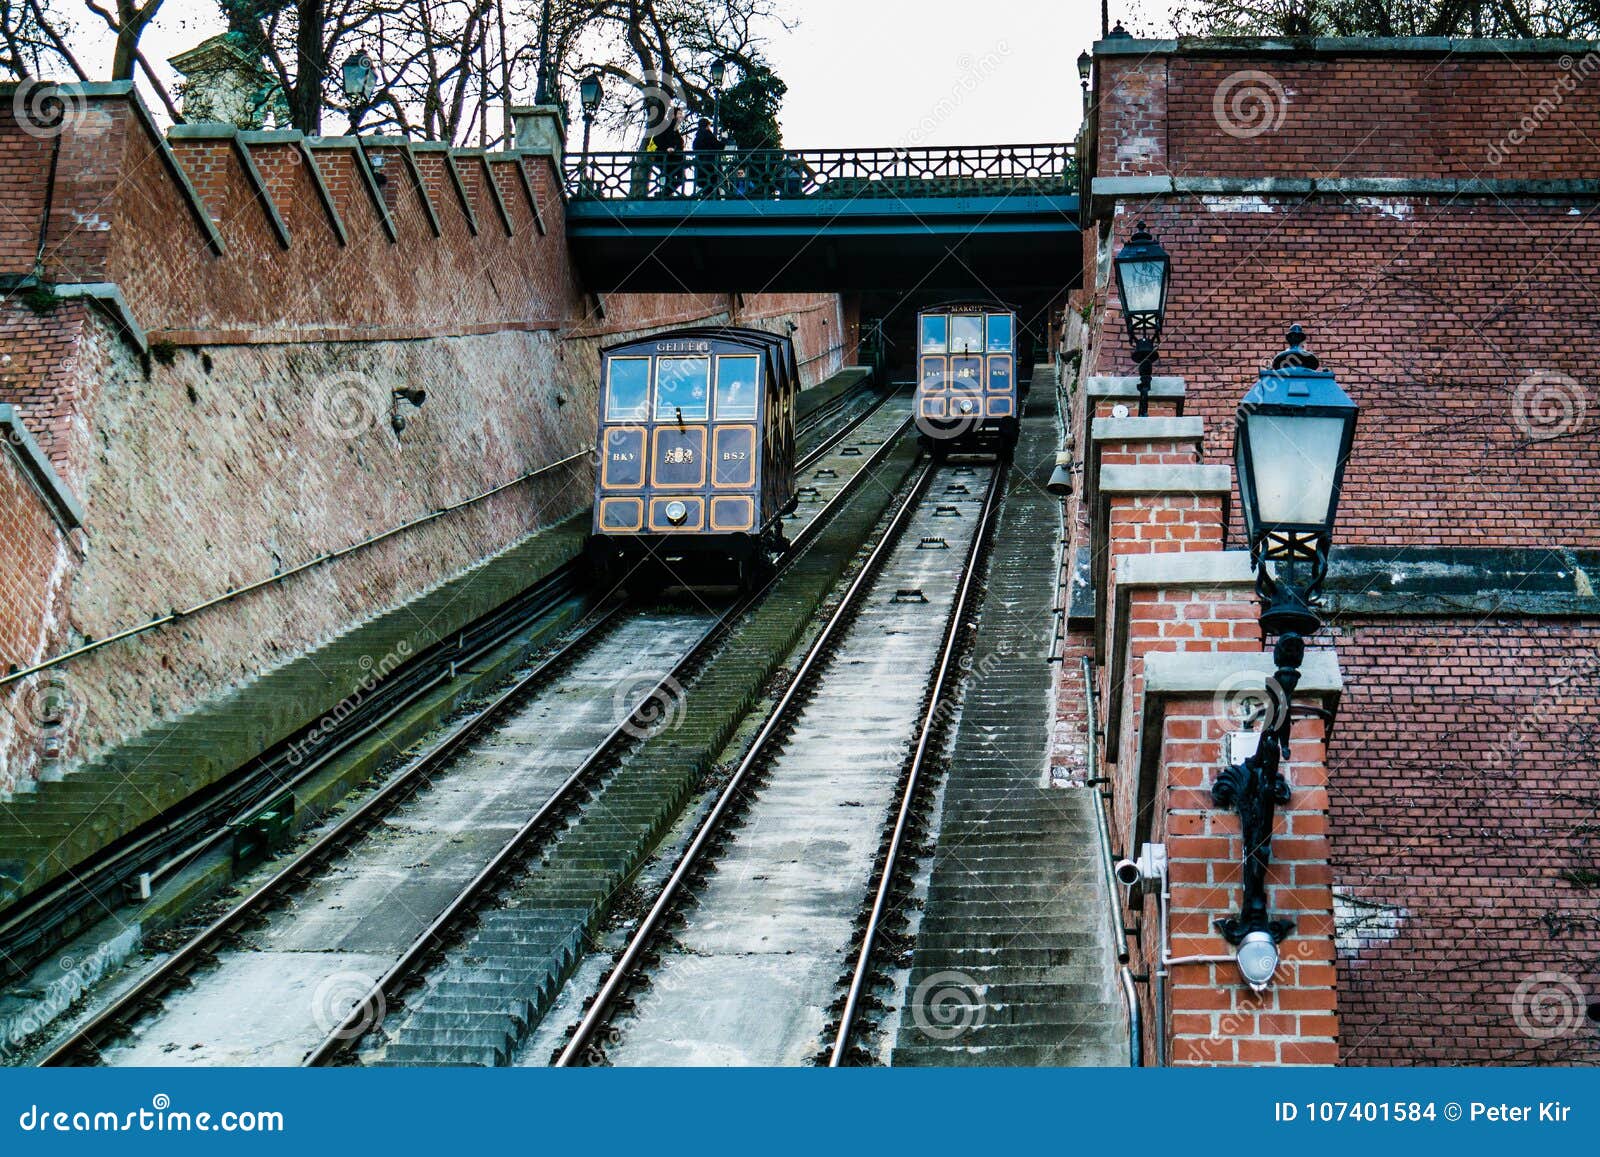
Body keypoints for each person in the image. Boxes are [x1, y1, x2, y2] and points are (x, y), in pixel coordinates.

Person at [655, 106, 687, 196]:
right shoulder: (666, 125)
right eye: (679, 114)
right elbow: (657, 139)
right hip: (667, 159)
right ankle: (664, 194)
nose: (681, 116)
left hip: (673, 159)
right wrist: (666, 148)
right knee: (677, 178)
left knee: (677, 179)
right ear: (673, 115)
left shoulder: (675, 128)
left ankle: (664, 194)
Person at [692, 116, 723, 197]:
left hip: (701, 168)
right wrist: (724, 140)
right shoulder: (708, 134)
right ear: (707, 126)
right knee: (712, 190)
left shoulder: (697, 137)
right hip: (710, 167)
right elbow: (718, 147)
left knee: (707, 190)